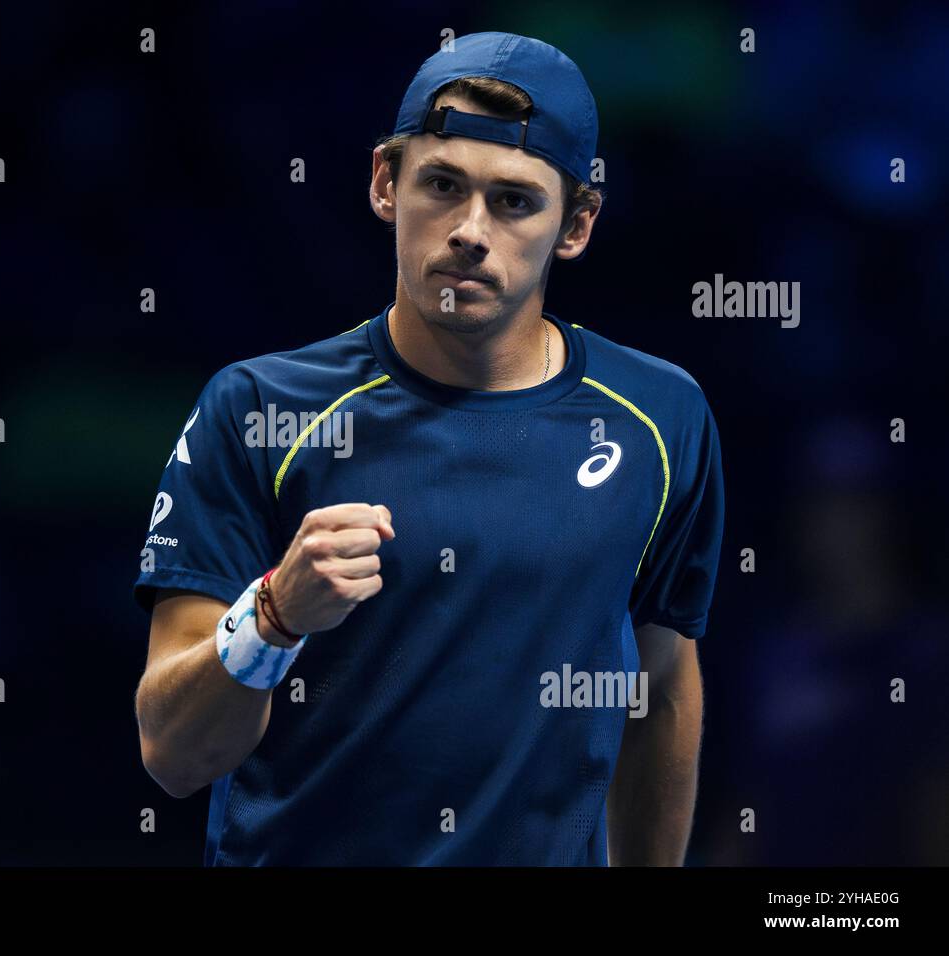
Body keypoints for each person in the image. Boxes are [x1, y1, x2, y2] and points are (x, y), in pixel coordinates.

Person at [131, 31, 724, 866]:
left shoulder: (663, 418)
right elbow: (173, 754)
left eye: (515, 202)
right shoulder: (257, 409)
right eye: (442, 185)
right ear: (385, 183)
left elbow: (660, 688)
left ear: (577, 223)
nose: (470, 232)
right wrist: (272, 616)